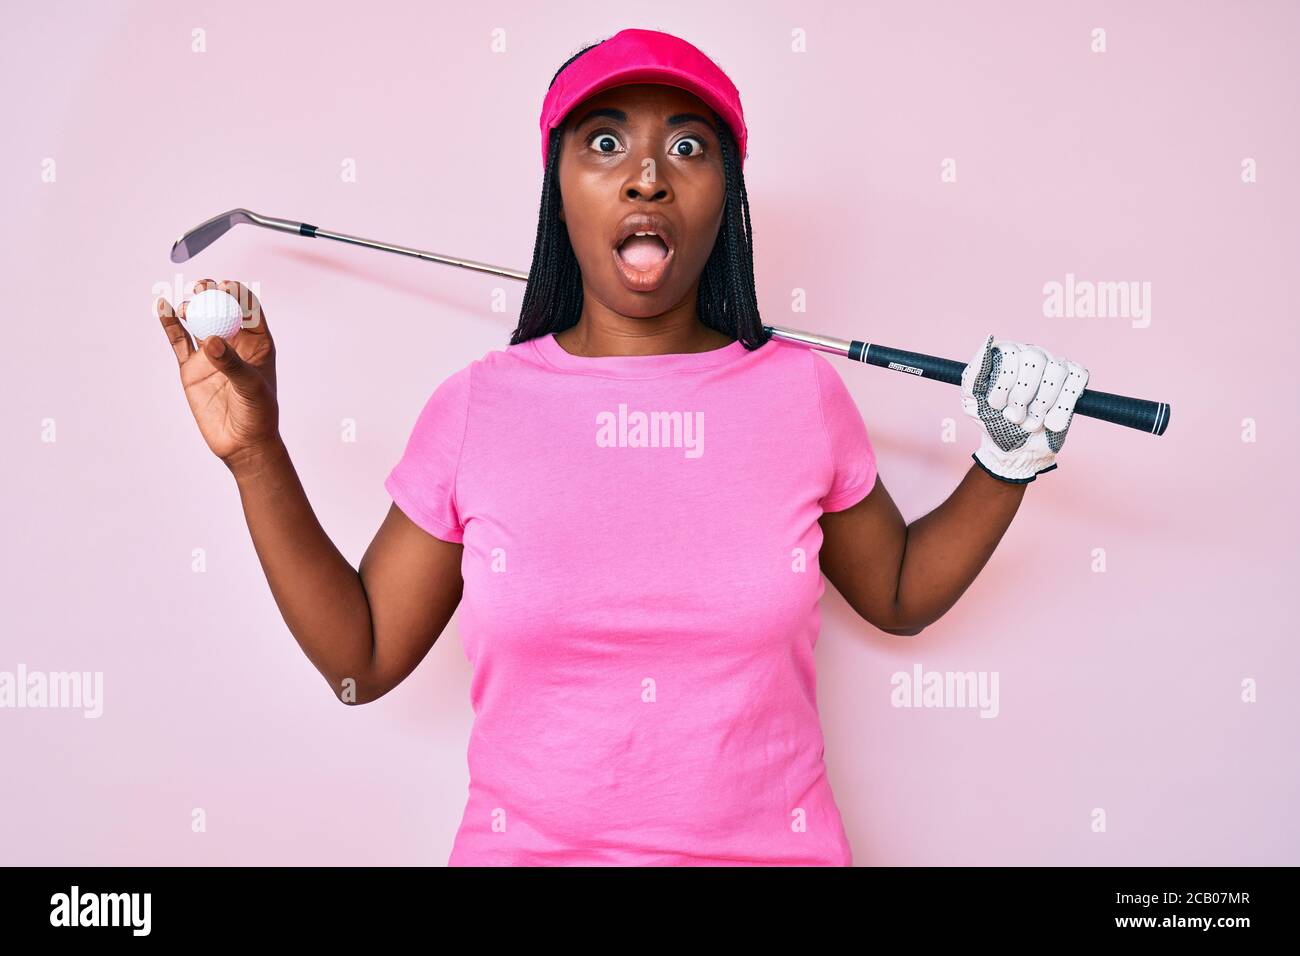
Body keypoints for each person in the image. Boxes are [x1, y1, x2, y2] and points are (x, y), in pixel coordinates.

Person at [156, 28, 1088, 866]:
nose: (647, 177)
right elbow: (360, 661)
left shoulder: (800, 395)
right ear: (559, 192)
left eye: (687, 147)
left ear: (726, 197)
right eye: (605, 144)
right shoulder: (479, 407)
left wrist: (1009, 459)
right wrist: (256, 454)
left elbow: (897, 594)